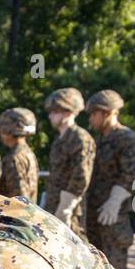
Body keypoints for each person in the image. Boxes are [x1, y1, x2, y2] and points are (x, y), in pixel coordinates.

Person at [84, 90, 135, 269]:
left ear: (108, 113)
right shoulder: (98, 140)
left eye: (94, 113)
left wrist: (115, 200)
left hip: (114, 214)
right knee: (95, 267)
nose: (91, 119)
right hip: (94, 212)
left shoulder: (127, 138)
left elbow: (130, 174)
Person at [43, 87, 95, 239]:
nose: (50, 116)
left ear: (67, 112)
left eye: (54, 111)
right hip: (54, 206)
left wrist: (65, 207)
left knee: (74, 247)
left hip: (70, 211)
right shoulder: (59, 139)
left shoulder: (80, 138)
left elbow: (81, 176)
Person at [0, 107, 39, 204]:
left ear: (9, 131)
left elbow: (19, 197)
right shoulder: (28, 153)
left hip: (15, 211)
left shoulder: (14, 158)